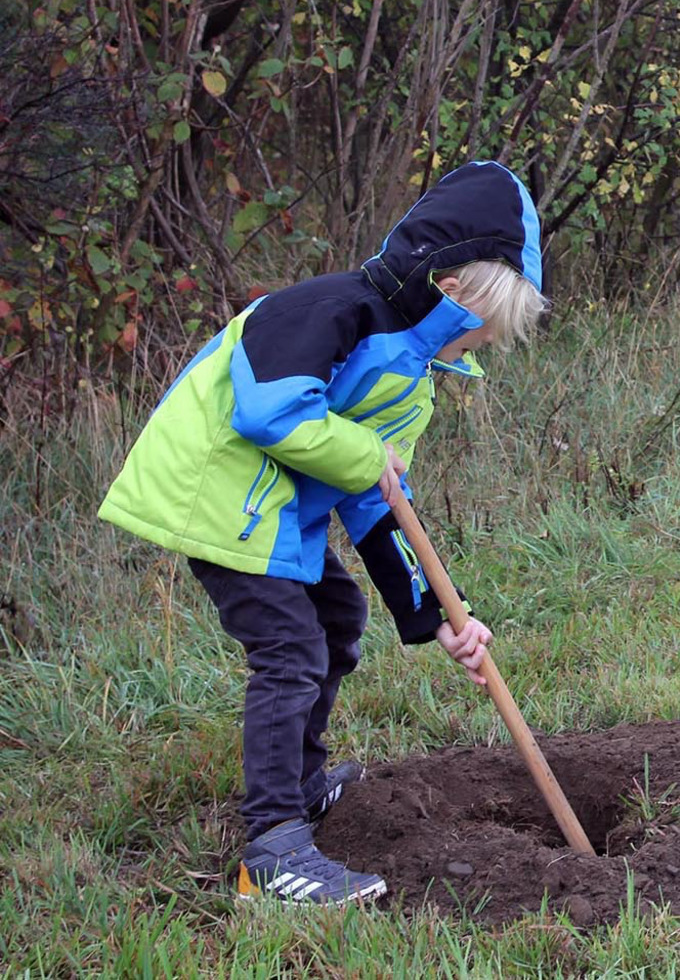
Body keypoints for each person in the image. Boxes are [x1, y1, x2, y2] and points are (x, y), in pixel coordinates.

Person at [97, 161, 547, 905]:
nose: (481, 350)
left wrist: (440, 614)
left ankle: (302, 786)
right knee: (290, 648)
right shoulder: (327, 309)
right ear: (453, 289)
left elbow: (378, 504)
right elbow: (270, 411)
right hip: (216, 495)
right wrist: (369, 457)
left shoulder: (411, 379)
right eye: (484, 333)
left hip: (275, 511)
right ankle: (272, 849)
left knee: (338, 618)